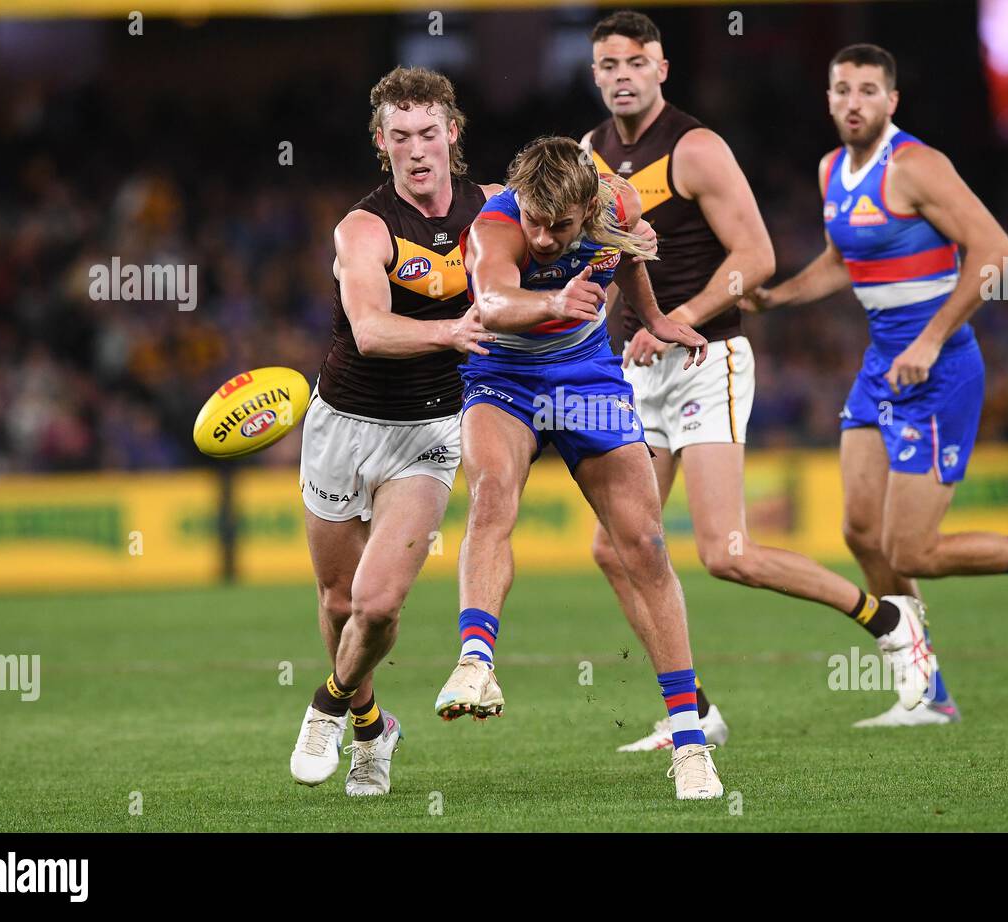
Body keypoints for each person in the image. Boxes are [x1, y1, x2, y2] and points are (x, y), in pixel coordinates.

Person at [742, 44, 1008, 726]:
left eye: (867, 90)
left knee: (913, 550)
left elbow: (997, 251)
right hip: (882, 368)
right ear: (828, 100)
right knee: (861, 532)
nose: (853, 101)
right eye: (841, 89)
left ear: (892, 101)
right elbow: (842, 261)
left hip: (940, 369)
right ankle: (928, 690)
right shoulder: (834, 168)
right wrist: (780, 297)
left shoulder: (916, 166)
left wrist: (929, 338)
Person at [583, 11, 934, 751]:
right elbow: (610, 266)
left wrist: (672, 319)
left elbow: (758, 255)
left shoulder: (696, 147)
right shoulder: (590, 154)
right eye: (607, 64)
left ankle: (887, 618)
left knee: (727, 554)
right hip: (636, 369)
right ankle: (693, 707)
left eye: (634, 62)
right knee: (615, 548)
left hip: (707, 363)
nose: (621, 75)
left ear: (661, 69)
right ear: (595, 74)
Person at [431, 135, 723, 799]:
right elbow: (494, 300)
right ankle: (476, 661)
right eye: (533, 218)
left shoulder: (616, 203)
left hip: (586, 376)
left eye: (558, 225)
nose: (540, 235)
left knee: (646, 547)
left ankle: (689, 742)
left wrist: (654, 317)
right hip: (502, 375)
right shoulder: (494, 225)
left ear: (588, 206)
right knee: (492, 498)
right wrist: (554, 302)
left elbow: (624, 257)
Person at [289, 67, 502, 795]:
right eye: (400, 136)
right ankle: (372, 726)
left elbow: (573, 221)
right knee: (340, 602)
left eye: (429, 132)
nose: (417, 149)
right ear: (381, 142)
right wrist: (459, 330)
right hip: (342, 423)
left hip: (428, 431)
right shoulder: (363, 227)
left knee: (379, 604)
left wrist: (617, 238)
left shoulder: (497, 210)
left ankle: (326, 705)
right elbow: (373, 333)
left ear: (454, 133)